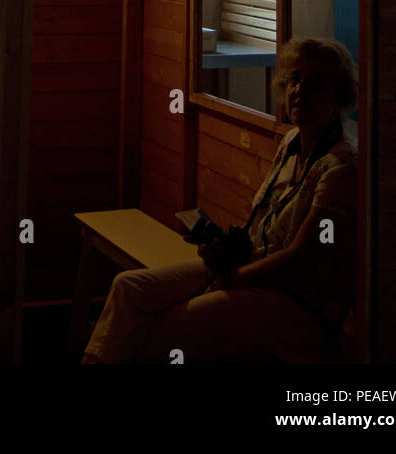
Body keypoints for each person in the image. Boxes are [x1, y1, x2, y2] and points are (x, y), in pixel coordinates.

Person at [82, 37, 358, 364]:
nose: (298, 91)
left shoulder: (341, 166)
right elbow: (264, 224)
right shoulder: (292, 141)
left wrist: (230, 281)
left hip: (298, 302)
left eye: (313, 84)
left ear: (338, 94)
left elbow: (301, 259)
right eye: (294, 80)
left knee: (168, 327)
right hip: (252, 266)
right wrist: (221, 250)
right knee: (129, 289)